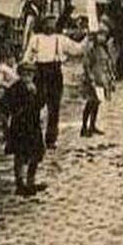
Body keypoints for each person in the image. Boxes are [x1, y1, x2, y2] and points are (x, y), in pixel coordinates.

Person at [22, 15, 82, 149]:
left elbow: (77, 49)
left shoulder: (60, 39)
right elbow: (27, 58)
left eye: (53, 23)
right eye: (48, 23)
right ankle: (34, 136)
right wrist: (27, 75)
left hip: (54, 73)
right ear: (42, 25)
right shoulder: (35, 39)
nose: (50, 26)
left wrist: (90, 39)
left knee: (54, 108)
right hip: (40, 73)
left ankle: (51, 139)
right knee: (35, 106)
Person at [2, 62, 45, 195]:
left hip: (33, 126)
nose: (28, 77)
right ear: (20, 75)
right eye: (25, 74)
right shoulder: (15, 88)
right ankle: (19, 183)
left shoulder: (37, 88)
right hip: (19, 127)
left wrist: (35, 93)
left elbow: (42, 103)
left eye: (30, 74)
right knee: (19, 155)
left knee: (35, 155)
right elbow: (6, 105)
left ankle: (30, 181)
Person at [80, 27, 113, 137]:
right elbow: (87, 65)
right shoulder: (91, 49)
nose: (103, 37)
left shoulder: (104, 48)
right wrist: (91, 79)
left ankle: (92, 126)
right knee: (90, 103)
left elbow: (107, 63)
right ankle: (84, 127)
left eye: (104, 35)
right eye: (101, 35)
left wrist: (110, 77)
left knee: (97, 103)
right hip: (93, 79)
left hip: (101, 79)